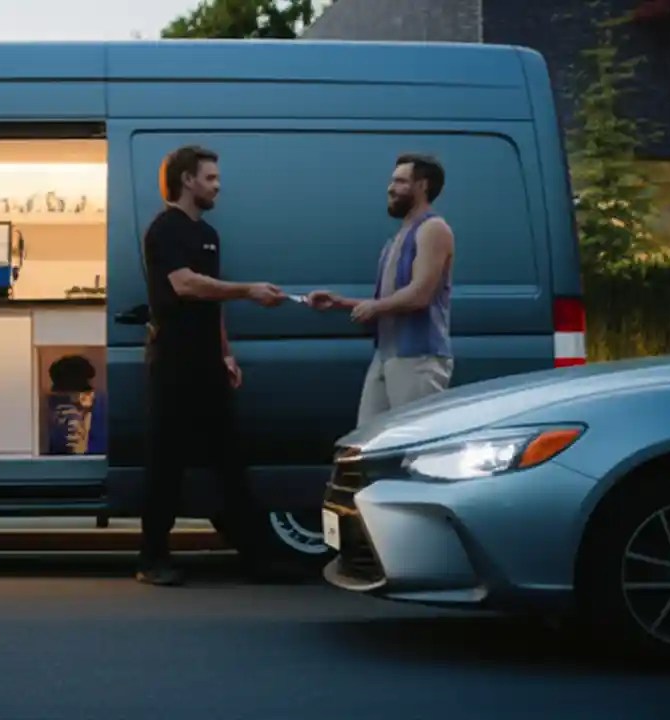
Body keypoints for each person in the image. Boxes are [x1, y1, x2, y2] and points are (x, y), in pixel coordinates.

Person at [138, 144, 287, 586]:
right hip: (174, 363)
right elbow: (185, 286)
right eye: (211, 179)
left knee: (229, 458)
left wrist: (225, 351)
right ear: (187, 180)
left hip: (206, 362)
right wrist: (249, 290)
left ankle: (255, 557)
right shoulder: (164, 229)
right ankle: (151, 559)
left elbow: (213, 300)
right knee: (166, 461)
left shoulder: (210, 235)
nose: (218, 186)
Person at [308, 152, 456, 427]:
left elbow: (419, 294)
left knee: (414, 446)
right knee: (368, 439)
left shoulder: (433, 229)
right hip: (388, 353)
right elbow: (392, 300)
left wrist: (375, 307)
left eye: (400, 181)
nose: (390, 188)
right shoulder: (398, 237)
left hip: (418, 357)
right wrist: (341, 303)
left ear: (422, 186)